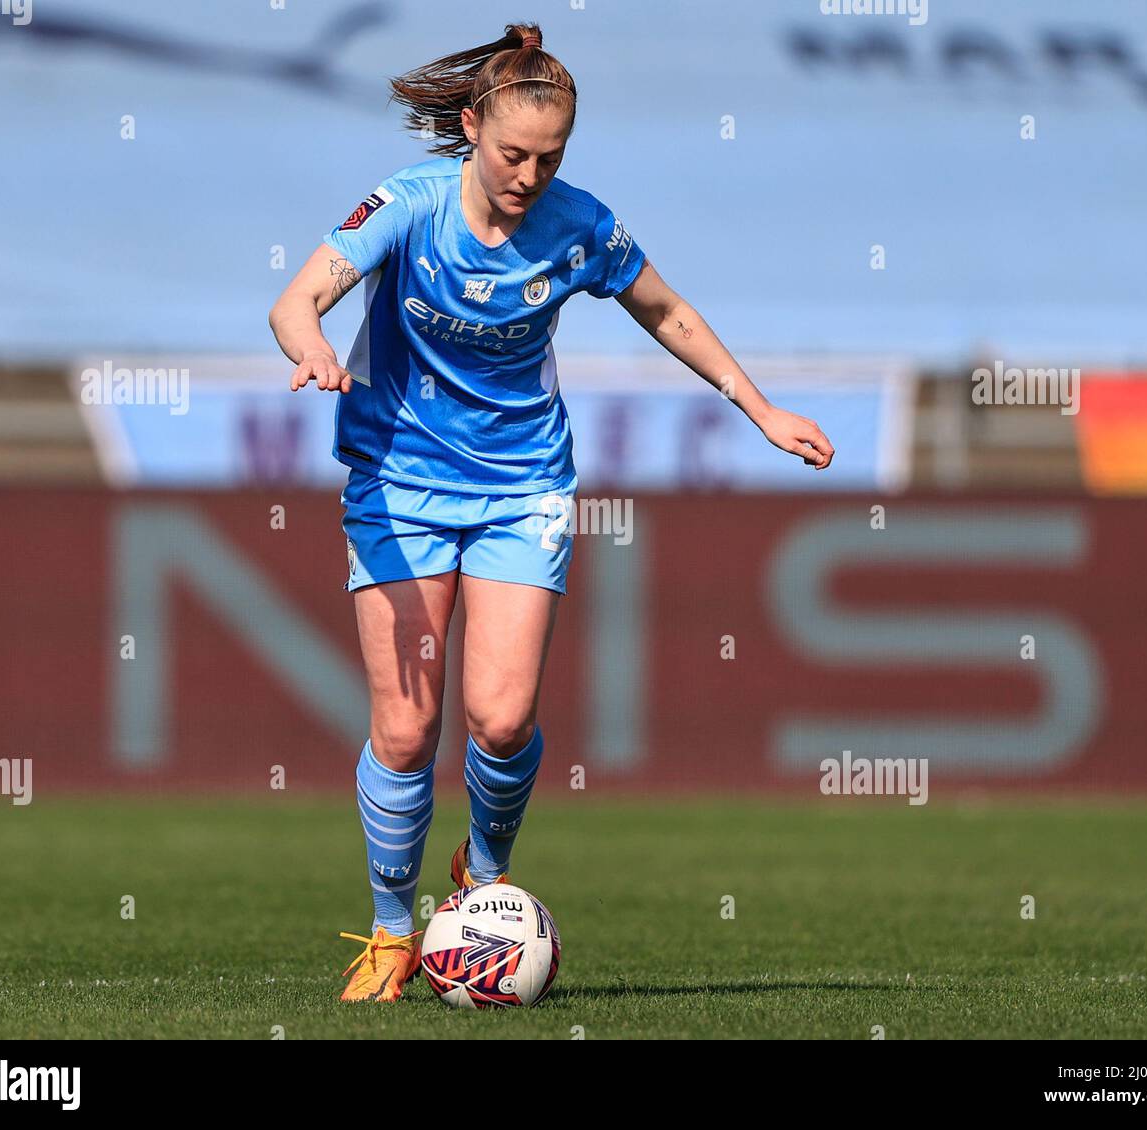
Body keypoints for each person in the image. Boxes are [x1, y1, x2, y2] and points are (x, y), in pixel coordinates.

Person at [268, 21, 834, 1003]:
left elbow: (667, 310)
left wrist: (761, 407)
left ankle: (484, 876)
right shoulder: (406, 207)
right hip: (396, 478)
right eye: (513, 153)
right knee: (405, 728)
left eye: (550, 156)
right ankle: (393, 930)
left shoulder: (579, 227)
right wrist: (310, 346)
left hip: (520, 483)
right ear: (472, 124)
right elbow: (295, 298)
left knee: (502, 713)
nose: (529, 174)